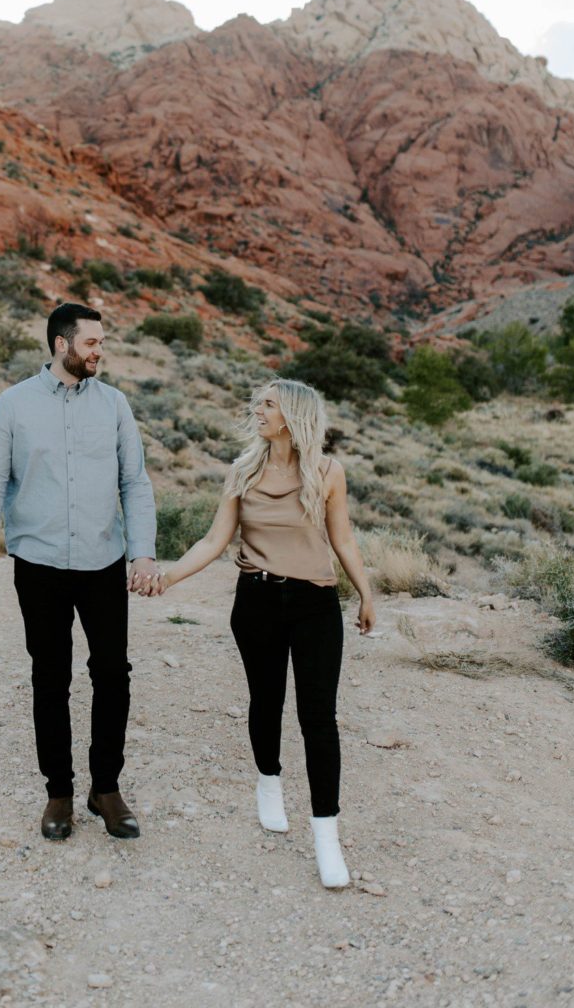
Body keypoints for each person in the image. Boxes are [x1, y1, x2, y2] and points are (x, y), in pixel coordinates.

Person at [144, 377, 375, 888]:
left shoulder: (327, 472)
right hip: (257, 601)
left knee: (319, 717)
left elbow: (343, 538)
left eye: (268, 404)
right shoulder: (242, 471)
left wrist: (365, 593)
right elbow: (213, 540)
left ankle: (325, 836)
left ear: (292, 415)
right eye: (258, 403)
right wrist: (167, 577)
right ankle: (268, 782)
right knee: (265, 701)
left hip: (315, 604)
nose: (258, 410)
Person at [0, 302, 160, 842]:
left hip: (103, 562)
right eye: (92, 342)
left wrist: (142, 552)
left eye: (101, 342)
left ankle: (106, 787)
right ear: (61, 344)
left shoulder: (115, 405)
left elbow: (135, 483)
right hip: (40, 563)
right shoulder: (13, 405)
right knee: (50, 679)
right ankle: (59, 792)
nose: (100, 351)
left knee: (112, 676)